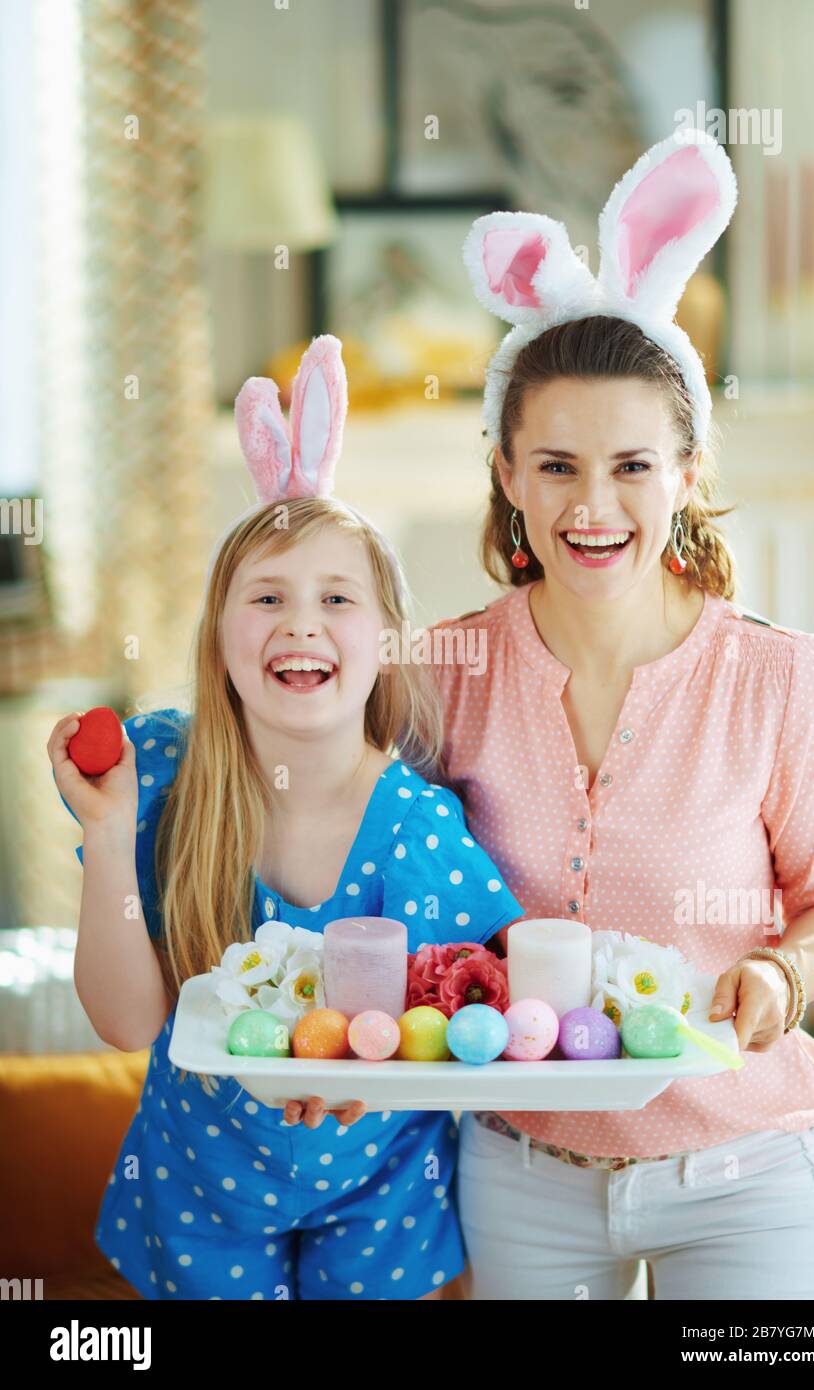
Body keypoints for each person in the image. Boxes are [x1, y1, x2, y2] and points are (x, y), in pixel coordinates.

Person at [428, 129, 814, 1299]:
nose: (591, 504)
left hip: (744, 1168)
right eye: (556, 465)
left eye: (630, 465)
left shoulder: (780, 680)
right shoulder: (440, 671)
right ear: (507, 475)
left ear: (683, 471)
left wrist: (779, 973)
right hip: (523, 1168)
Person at [47, 337, 522, 1301]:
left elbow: (480, 1028)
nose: (300, 623)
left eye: (336, 600)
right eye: (266, 598)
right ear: (221, 639)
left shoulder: (419, 828)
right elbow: (126, 1021)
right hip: (198, 1180)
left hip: (378, 1181)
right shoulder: (166, 778)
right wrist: (107, 831)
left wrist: (377, 1078)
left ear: (383, 641)